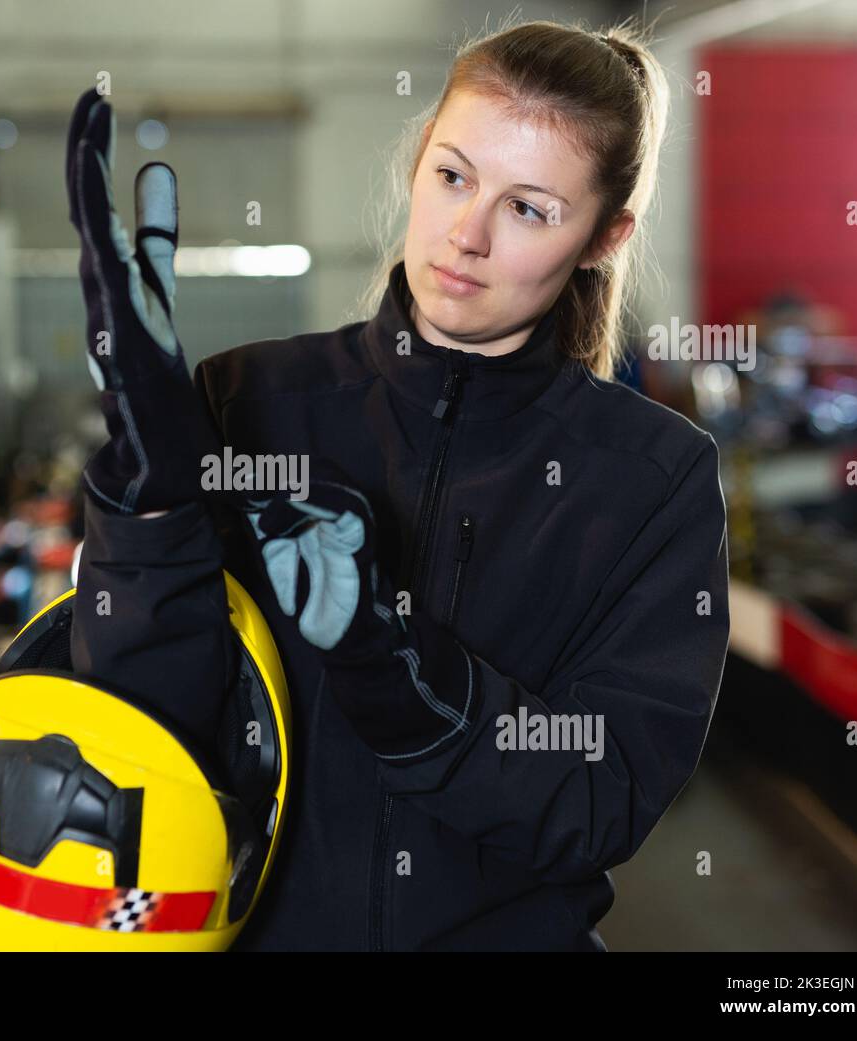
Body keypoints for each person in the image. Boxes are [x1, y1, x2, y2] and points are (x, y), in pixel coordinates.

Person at [64, 17, 730, 952]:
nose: (467, 234)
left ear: (604, 238)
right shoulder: (249, 399)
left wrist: (397, 674)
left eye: (529, 209)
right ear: (420, 158)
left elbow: (601, 795)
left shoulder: (654, 478)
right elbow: (148, 730)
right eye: (454, 176)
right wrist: (149, 501)